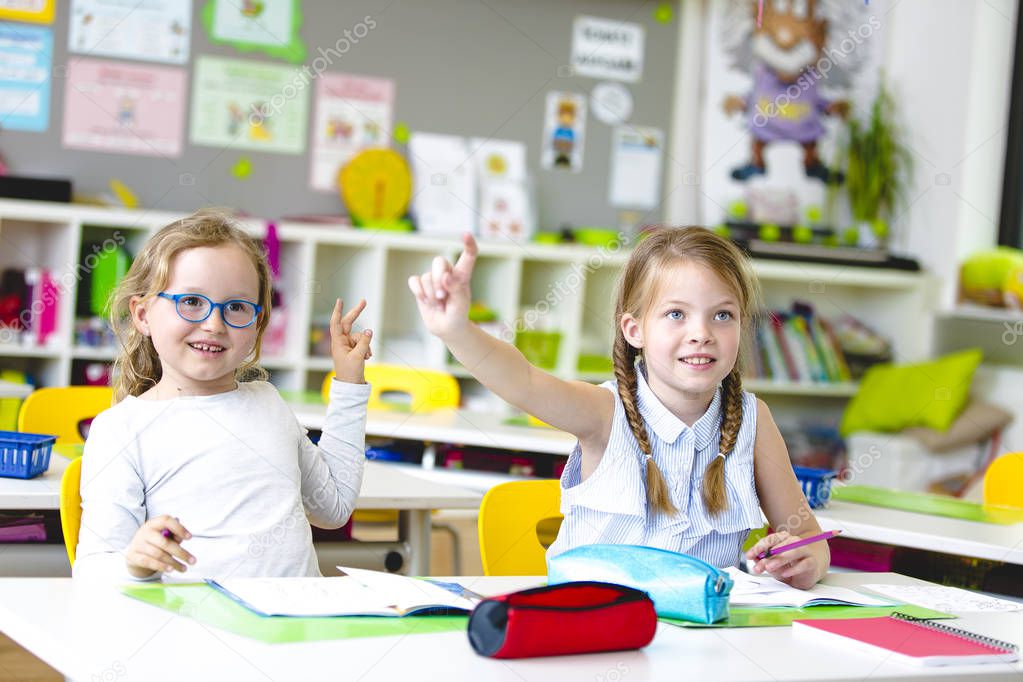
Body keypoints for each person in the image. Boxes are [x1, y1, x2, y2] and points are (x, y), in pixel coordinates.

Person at [409, 227, 829, 589]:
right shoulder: (603, 412)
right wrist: (456, 331)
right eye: (676, 314)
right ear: (635, 330)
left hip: (701, 641)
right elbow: (523, 381)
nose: (701, 333)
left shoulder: (755, 421)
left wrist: (803, 561)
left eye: (722, 315)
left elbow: (807, 536)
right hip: (592, 634)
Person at [75, 209, 373, 580]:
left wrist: (348, 384)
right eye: (192, 302)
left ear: (258, 322)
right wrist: (134, 562)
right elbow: (92, 569)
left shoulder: (268, 401)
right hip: (189, 629)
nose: (214, 324)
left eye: (236, 307)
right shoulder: (120, 429)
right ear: (143, 314)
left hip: (297, 628)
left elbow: (333, 507)